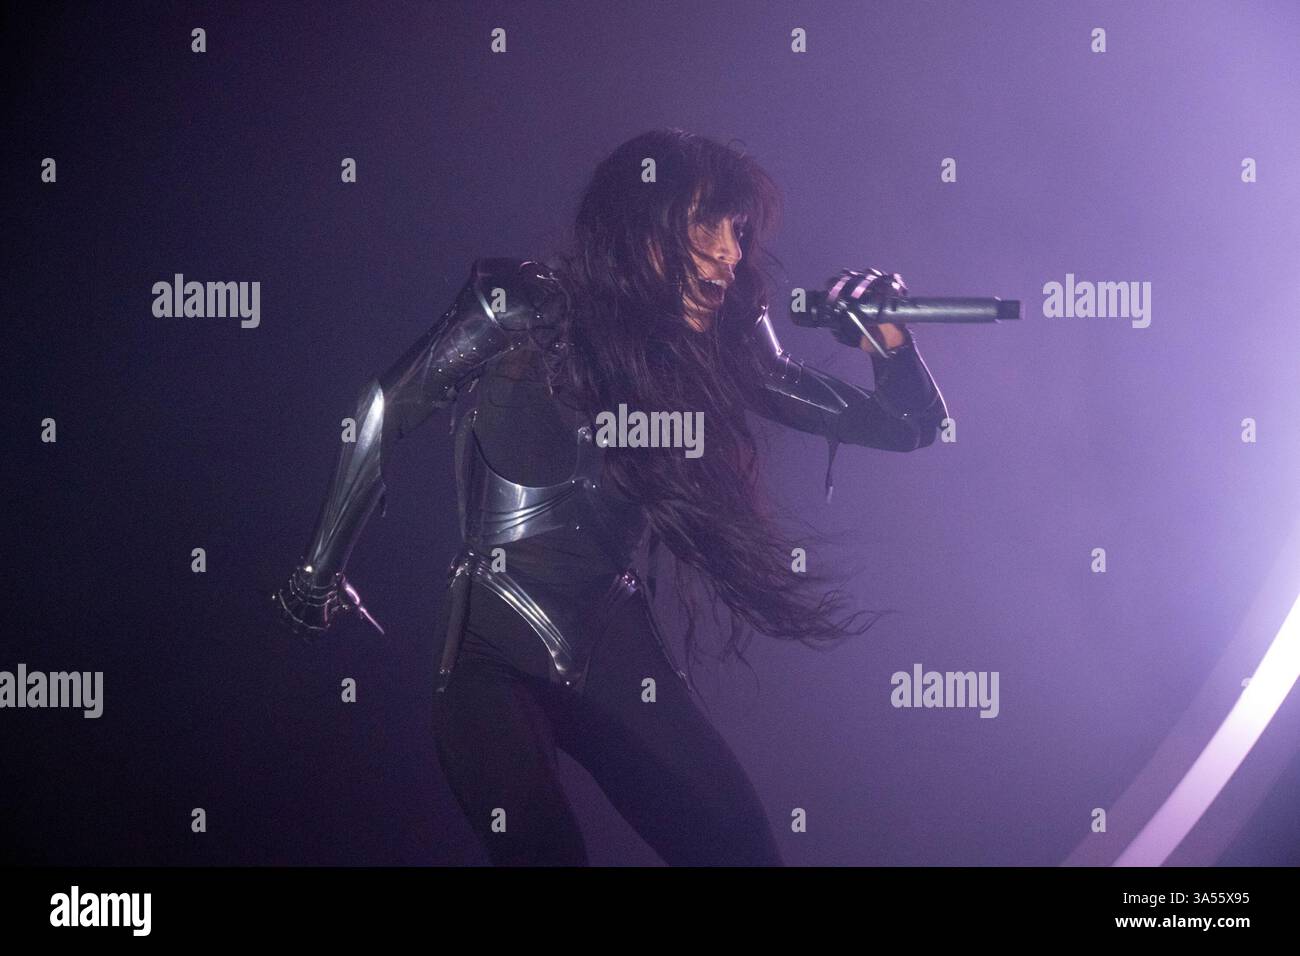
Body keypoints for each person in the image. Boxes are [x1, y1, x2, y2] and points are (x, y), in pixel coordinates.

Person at [273, 128, 949, 866]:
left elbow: (913, 425)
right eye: (708, 222)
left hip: (615, 646)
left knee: (742, 851)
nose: (729, 249)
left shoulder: (718, 343)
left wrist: (890, 338)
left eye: (739, 229)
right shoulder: (530, 304)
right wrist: (316, 573)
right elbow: (383, 407)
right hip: (490, 657)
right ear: (641, 221)